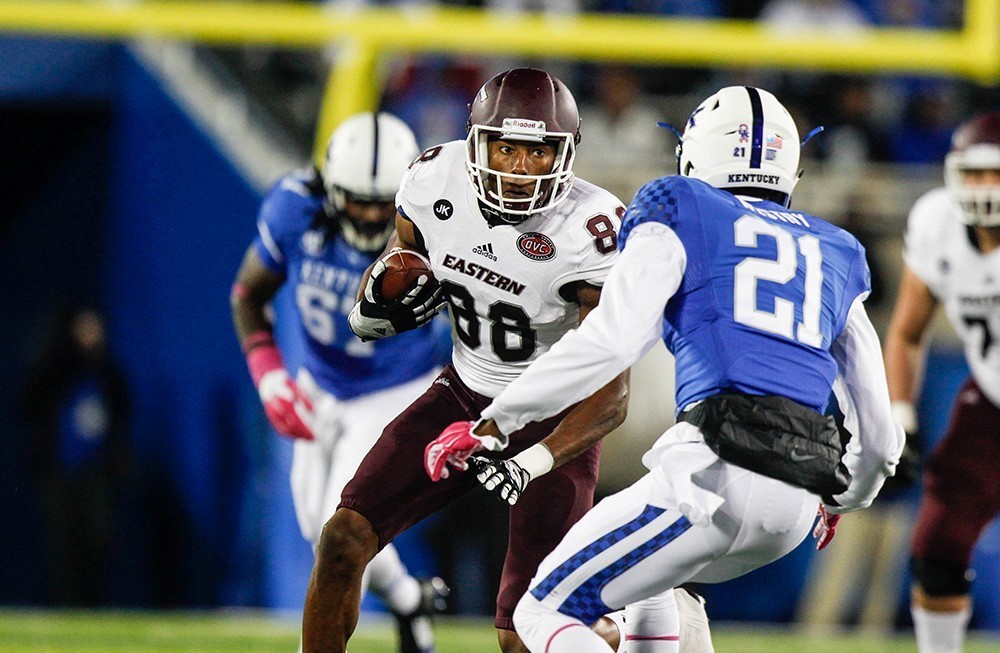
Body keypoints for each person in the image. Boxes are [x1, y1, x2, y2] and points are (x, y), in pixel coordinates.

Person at [425, 85, 905, 652]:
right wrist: (843, 497)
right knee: (649, 587)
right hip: (798, 505)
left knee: (542, 610)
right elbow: (878, 434)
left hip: (714, 473)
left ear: (695, 152)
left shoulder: (680, 204)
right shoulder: (837, 248)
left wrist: (497, 420)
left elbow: (610, 341)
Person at [301, 68, 713, 653]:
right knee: (342, 538)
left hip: (553, 418)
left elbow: (609, 395)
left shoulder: (591, 231)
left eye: (538, 152)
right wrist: (381, 302)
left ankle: (648, 625)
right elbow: (404, 263)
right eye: (507, 148)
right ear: (477, 144)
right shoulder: (430, 179)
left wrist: (536, 460)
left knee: (523, 632)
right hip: (464, 394)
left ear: (565, 156)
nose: (520, 167)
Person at [230, 111, 449, 653]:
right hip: (322, 380)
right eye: (358, 199)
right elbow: (247, 296)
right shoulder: (293, 208)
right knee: (314, 528)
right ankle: (407, 598)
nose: (373, 215)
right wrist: (269, 376)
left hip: (396, 385)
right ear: (329, 187)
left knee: (339, 525)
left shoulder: (436, 225)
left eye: (384, 202)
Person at [883, 111, 1000, 653]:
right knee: (937, 549)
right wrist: (901, 414)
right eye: (974, 173)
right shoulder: (936, 221)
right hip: (991, 401)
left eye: (996, 174)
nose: (984, 188)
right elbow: (907, 333)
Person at [21, 305, 131, 606]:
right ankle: (67, 604)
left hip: (97, 473)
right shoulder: (54, 370)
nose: (91, 334)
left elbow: (122, 416)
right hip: (60, 473)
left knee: (97, 541)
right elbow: (28, 407)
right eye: (84, 327)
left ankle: (92, 604)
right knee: (64, 544)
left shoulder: (108, 373)